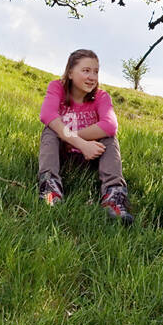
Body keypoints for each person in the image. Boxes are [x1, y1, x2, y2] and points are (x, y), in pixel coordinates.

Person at [38, 48, 133, 224]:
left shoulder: (101, 96)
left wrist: (76, 140)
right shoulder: (57, 87)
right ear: (71, 73)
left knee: (109, 138)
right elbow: (47, 115)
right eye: (86, 70)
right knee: (50, 130)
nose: (92, 77)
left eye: (96, 72)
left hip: (92, 156)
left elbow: (110, 125)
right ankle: (50, 189)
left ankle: (114, 196)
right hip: (61, 155)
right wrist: (79, 143)